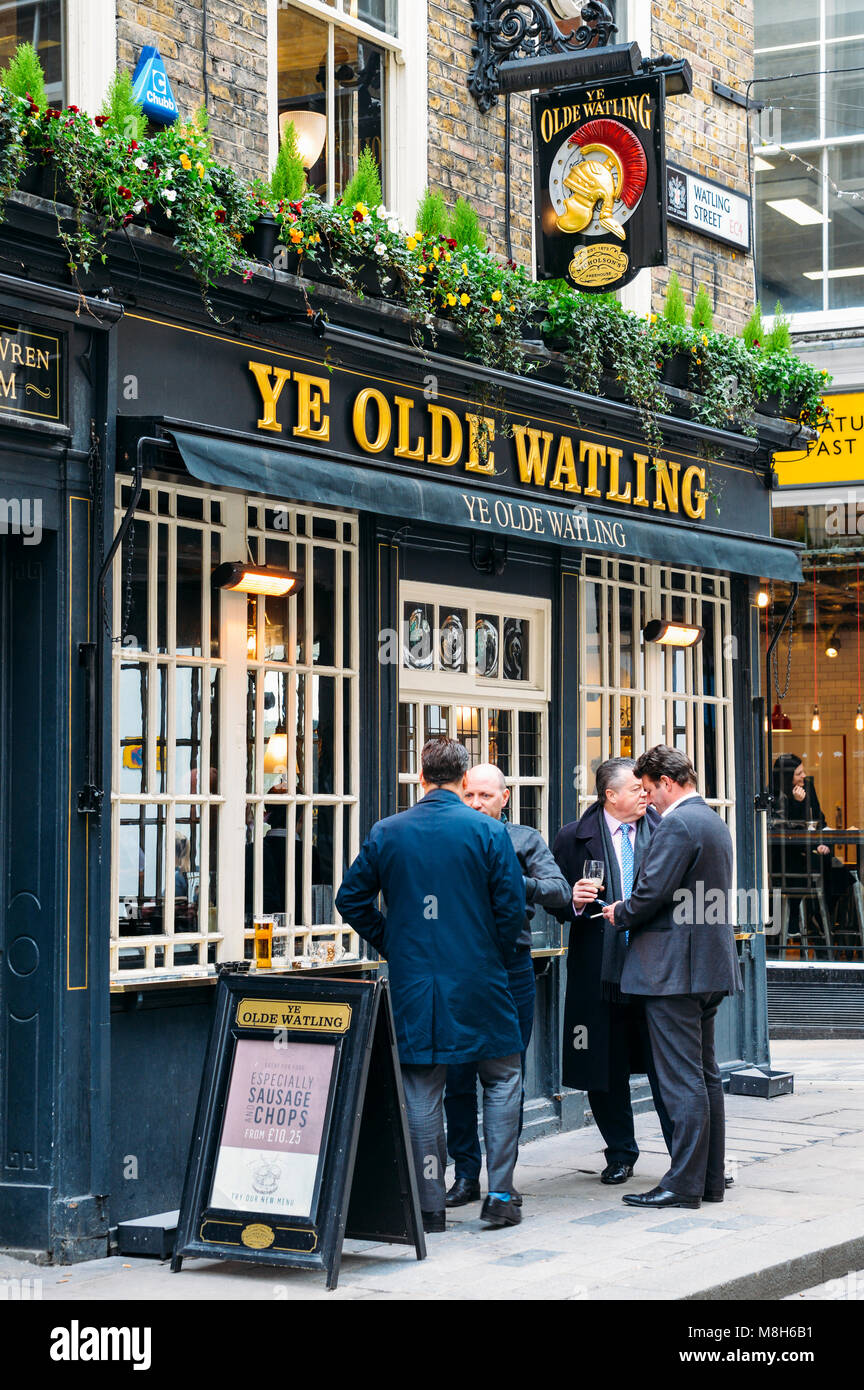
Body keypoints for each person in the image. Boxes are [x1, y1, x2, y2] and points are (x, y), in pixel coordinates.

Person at [335, 738, 526, 1232]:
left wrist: (395, 943)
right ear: (465, 782)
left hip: (416, 980)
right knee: (502, 1077)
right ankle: (501, 1195)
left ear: (419, 779)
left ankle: (428, 1205)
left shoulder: (388, 831)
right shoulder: (488, 830)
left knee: (422, 1089)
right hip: (482, 976)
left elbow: (350, 901)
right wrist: (493, 956)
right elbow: (510, 913)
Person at [601, 745, 741, 1210]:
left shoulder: (678, 823)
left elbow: (649, 894)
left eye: (647, 789)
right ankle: (708, 1181)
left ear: (666, 781)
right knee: (704, 1077)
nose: (647, 800)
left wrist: (619, 911)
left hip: (673, 972)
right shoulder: (712, 820)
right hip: (707, 967)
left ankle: (683, 1186)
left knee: (682, 1081)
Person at [444, 763, 571, 1208]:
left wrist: (516, 883)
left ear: (505, 796)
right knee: (457, 1077)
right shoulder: (450, 836)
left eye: (485, 795)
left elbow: (561, 891)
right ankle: (464, 1176)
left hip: (511, 967)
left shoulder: (524, 840)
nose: (476, 803)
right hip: (455, 968)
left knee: (505, 1078)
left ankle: (503, 1179)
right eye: (469, 795)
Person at [552, 758, 673, 1186]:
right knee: (603, 1068)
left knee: (668, 1069)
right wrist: (575, 901)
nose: (646, 794)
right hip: (597, 971)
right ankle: (620, 1153)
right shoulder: (572, 837)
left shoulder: (664, 829)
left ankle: (687, 1156)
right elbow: (553, 900)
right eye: (637, 789)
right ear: (610, 795)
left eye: (647, 788)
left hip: (655, 967)